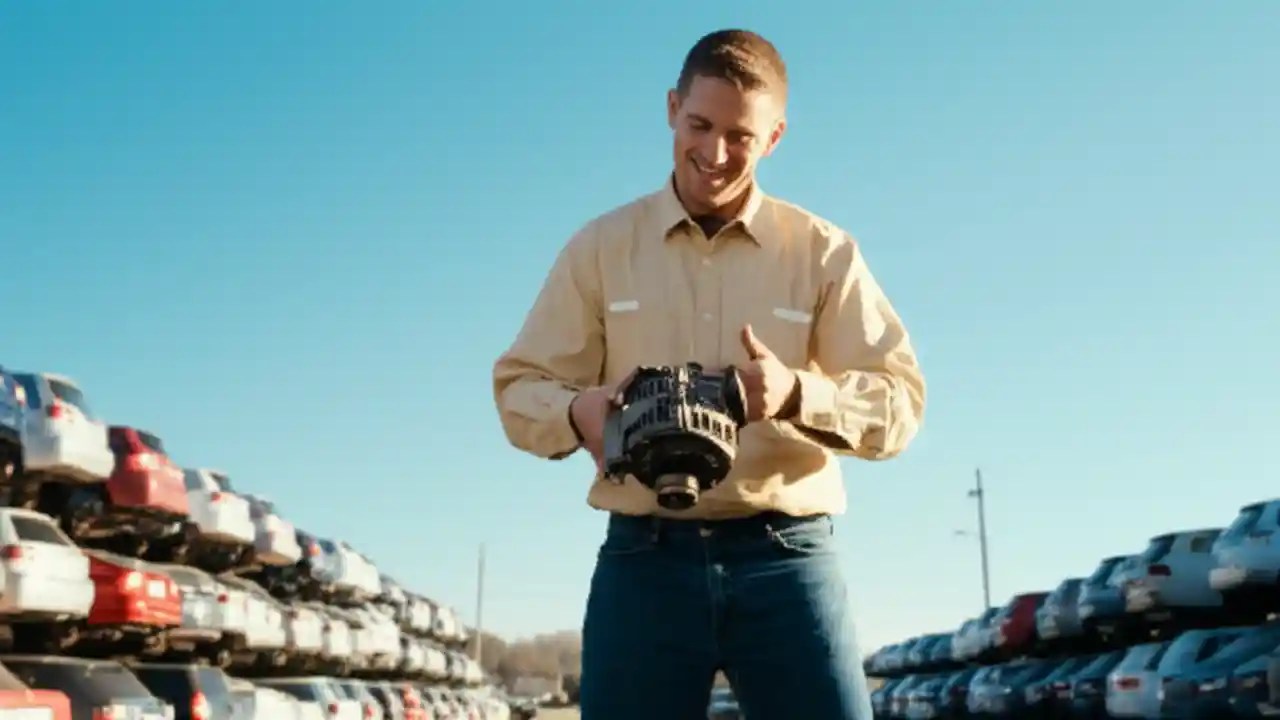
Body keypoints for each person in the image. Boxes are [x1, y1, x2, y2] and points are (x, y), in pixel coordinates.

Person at [492, 28, 927, 720]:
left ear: (775, 137)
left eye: (740, 136)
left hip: (789, 559)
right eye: (699, 124)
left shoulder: (824, 254)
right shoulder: (600, 248)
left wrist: (794, 393)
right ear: (671, 107)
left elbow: (900, 401)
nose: (715, 153)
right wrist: (581, 413)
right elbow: (520, 385)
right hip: (643, 561)